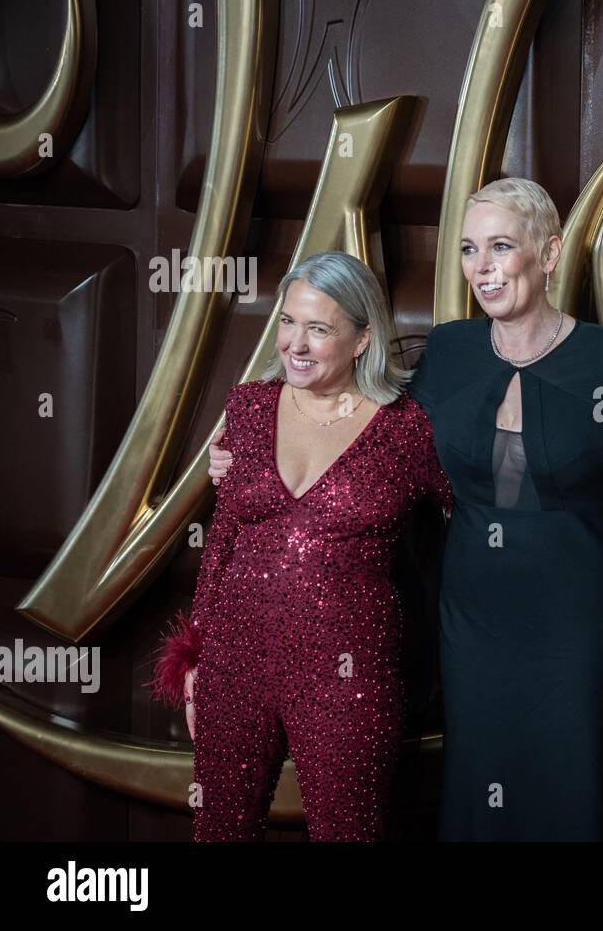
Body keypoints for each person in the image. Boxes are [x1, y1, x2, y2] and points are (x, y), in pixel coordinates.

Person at [207, 179, 603, 840]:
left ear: (548, 254)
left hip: (577, 617)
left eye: (500, 246)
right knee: (477, 784)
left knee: (570, 783)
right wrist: (249, 462)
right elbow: (370, 433)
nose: (481, 265)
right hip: (472, 619)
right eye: (468, 248)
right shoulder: (450, 352)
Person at [150, 251, 452, 841]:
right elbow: (224, 542)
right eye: (289, 321)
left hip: (347, 675)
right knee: (219, 831)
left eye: (319, 328)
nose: (296, 343)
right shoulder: (249, 405)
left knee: (348, 833)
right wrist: (197, 657)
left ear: (363, 339)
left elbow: (477, 510)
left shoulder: (404, 429)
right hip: (234, 665)